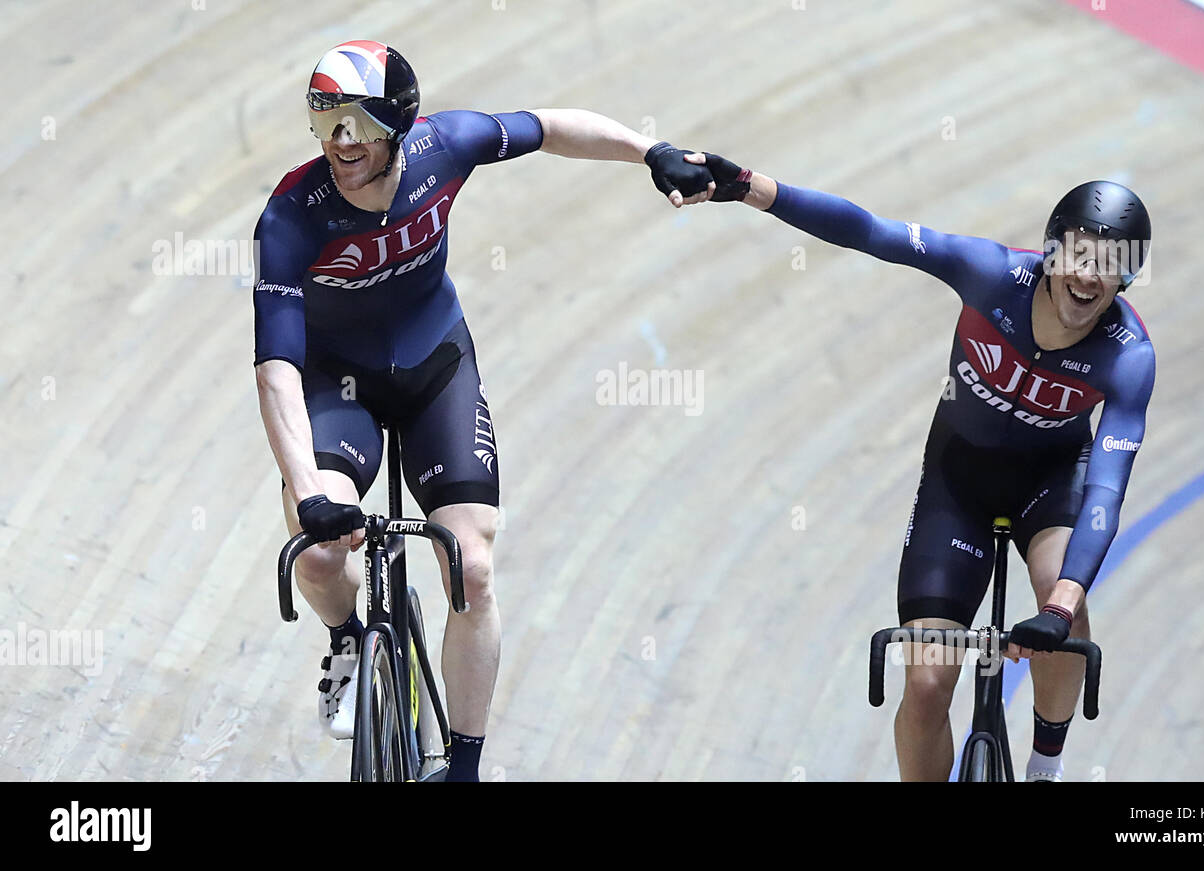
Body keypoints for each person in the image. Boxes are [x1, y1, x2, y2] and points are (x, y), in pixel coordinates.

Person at [252, 40, 714, 782]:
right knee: (317, 552)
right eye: (325, 119)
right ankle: (345, 637)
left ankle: (463, 766)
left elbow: (551, 126)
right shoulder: (290, 217)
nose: (341, 141)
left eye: (358, 121)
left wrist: (648, 150)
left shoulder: (447, 145)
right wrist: (308, 492)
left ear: (399, 124)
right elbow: (276, 370)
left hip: (435, 366)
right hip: (336, 385)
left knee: (470, 565)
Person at [696, 154, 1154, 782]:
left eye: (1110, 264)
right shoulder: (991, 273)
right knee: (928, 684)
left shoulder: (1129, 357)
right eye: (1080, 254)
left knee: (1064, 601)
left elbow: (1105, 489)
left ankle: (1046, 769)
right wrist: (751, 188)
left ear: (1127, 279)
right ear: (1052, 250)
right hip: (959, 483)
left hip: (1051, 483)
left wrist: (1058, 609)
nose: (1089, 275)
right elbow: (870, 231)